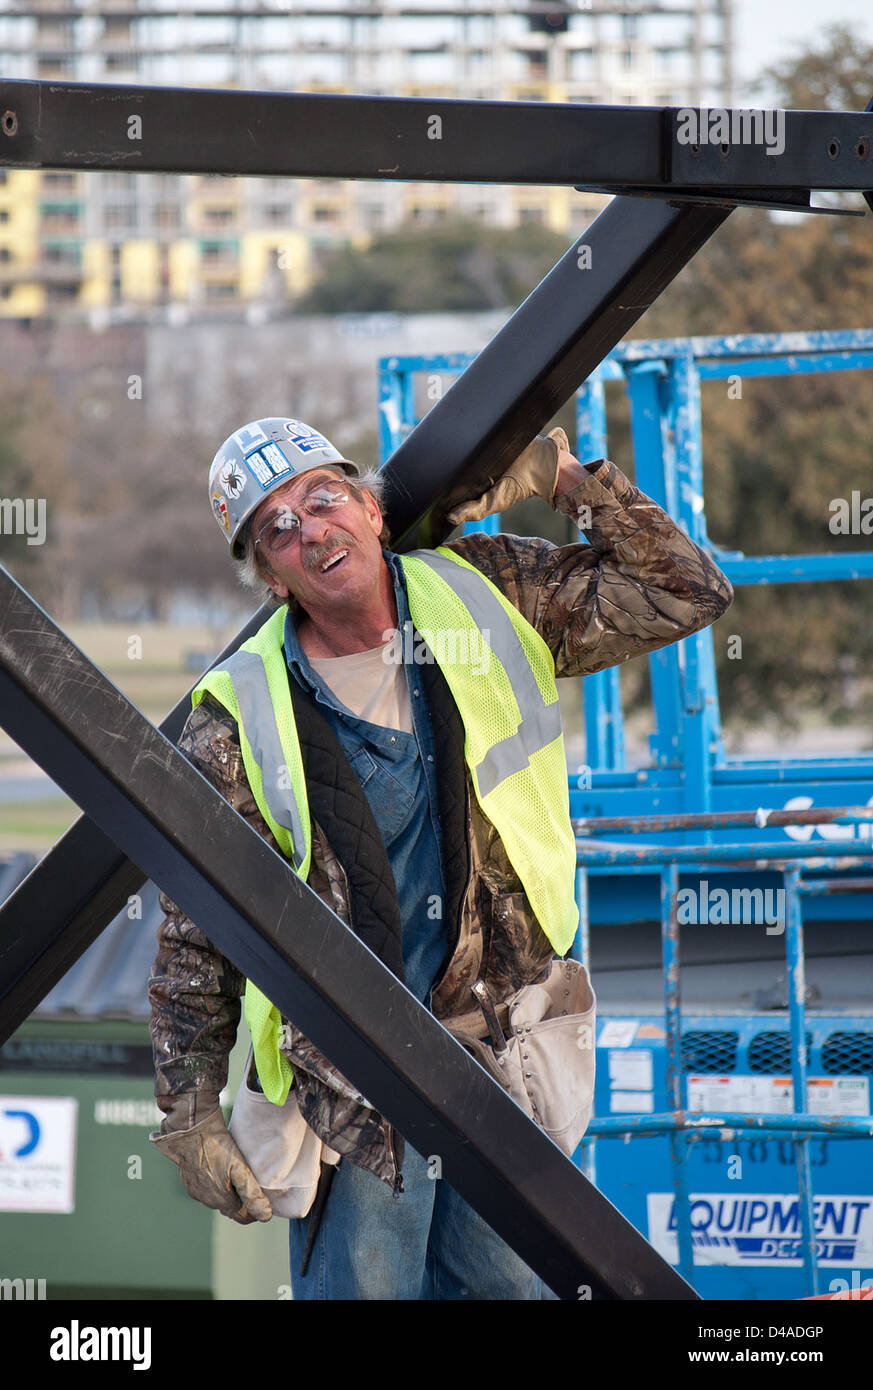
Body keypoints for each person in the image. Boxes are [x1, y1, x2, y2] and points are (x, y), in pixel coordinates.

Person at [149, 415, 732, 1300]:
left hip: (498, 1065)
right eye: (276, 529)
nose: (309, 529)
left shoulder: (487, 593)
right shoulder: (235, 714)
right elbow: (197, 934)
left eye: (323, 497)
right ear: (270, 576)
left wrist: (571, 484)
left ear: (373, 511)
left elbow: (685, 593)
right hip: (352, 1098)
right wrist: (188, 1108)